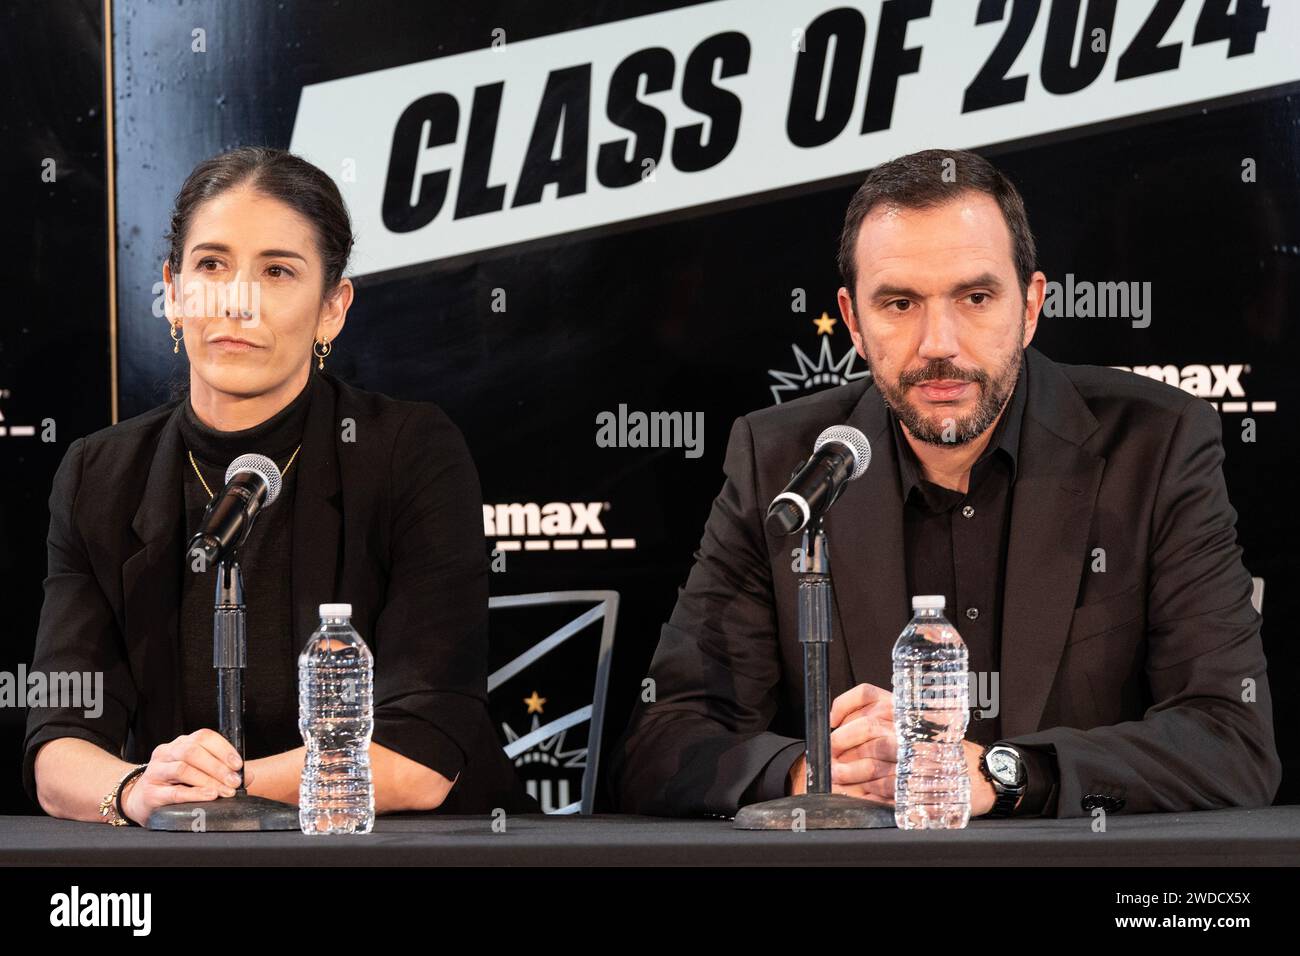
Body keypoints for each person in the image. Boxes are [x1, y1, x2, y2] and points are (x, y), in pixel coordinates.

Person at [610, 148, 1282, 819]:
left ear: (1030, 305)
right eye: (900, 303)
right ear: (853, 323)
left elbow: (1230, 738)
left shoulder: (1155, 448)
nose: (939, 342)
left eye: (976, 297)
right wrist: (809, 771)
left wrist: (1004, 772)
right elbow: (661, 744)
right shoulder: (782, 463)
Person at [25, 146, 534, 825]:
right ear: (173, 293)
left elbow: (423, 751)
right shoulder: (101, 474)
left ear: (332, 308)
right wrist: (132, 789)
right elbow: (60, 743)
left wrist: (214, 790)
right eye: (212, 266)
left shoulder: (409, 451)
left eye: (277, 272)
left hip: (401, 855)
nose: (237, 299)